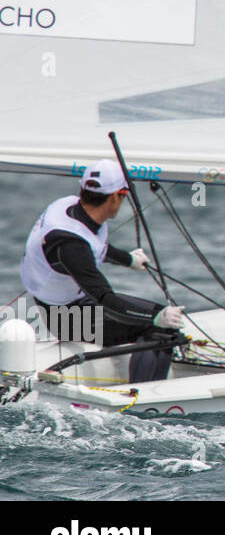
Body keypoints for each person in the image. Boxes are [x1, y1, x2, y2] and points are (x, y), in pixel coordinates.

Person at [19, 159, 185, 381]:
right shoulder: (70, 245)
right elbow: (105, 298)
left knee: (158, 315)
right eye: (124, 194)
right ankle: (145, 399)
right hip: (67, 319)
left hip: (75, 304)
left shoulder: (68, 207)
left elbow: (94, 248)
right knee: (160, 331)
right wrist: (155, 318)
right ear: (116, 196)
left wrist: (128, 259)